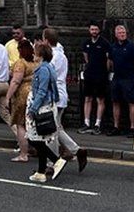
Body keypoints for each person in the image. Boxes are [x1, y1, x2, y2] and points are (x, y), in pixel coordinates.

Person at [44, 28, 86, 171]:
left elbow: (49, 77)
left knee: (51, 131)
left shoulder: (55, 57)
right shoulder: (59, 55)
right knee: (57, 128)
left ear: (46, 40)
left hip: (55, 96)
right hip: (59, 95)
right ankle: (77, 150)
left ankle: (52, 163)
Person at [24, 42, 64, 183]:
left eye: (35, 53)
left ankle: (56, 160)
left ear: (40, 55)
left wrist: (33, 110)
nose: (33, 55)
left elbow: (41, 91)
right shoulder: (48, 67)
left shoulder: (43, 70)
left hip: (41, 107)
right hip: (46, 105)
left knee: (32, 139)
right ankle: (41, 173)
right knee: (40, 140)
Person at [108, 24, 134, 136]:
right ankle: (116, 126)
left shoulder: (132, 47)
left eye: (123, 33)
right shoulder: (113, 47)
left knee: (131, 102)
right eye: (120, 33)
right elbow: (110, 61)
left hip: (129, 77)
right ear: (116, 35)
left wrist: (132, 69)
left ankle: (132, 127)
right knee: (115, 101)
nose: (122, 35)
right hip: (117, 77)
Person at [7, 39, 38, 162]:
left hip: (22, 94)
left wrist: (8, 96)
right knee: (31, 123)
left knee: (20, 124)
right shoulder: (35, 63)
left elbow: (15, 81)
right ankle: (34, 149)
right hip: (34, 93)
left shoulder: (21, 63)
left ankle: (23, 154)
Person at [80, 21, 110, 134]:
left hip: (101, 74)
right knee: (88, 98)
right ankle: (86, 122)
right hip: (89, 74)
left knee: (100, 99)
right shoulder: (86, 43)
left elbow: (108, 59)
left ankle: (98, 123)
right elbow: (86, 57)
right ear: (89, 30)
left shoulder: (104, 43)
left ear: (99, 30)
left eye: (96, 30)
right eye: (92, 29)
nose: (94, 32)